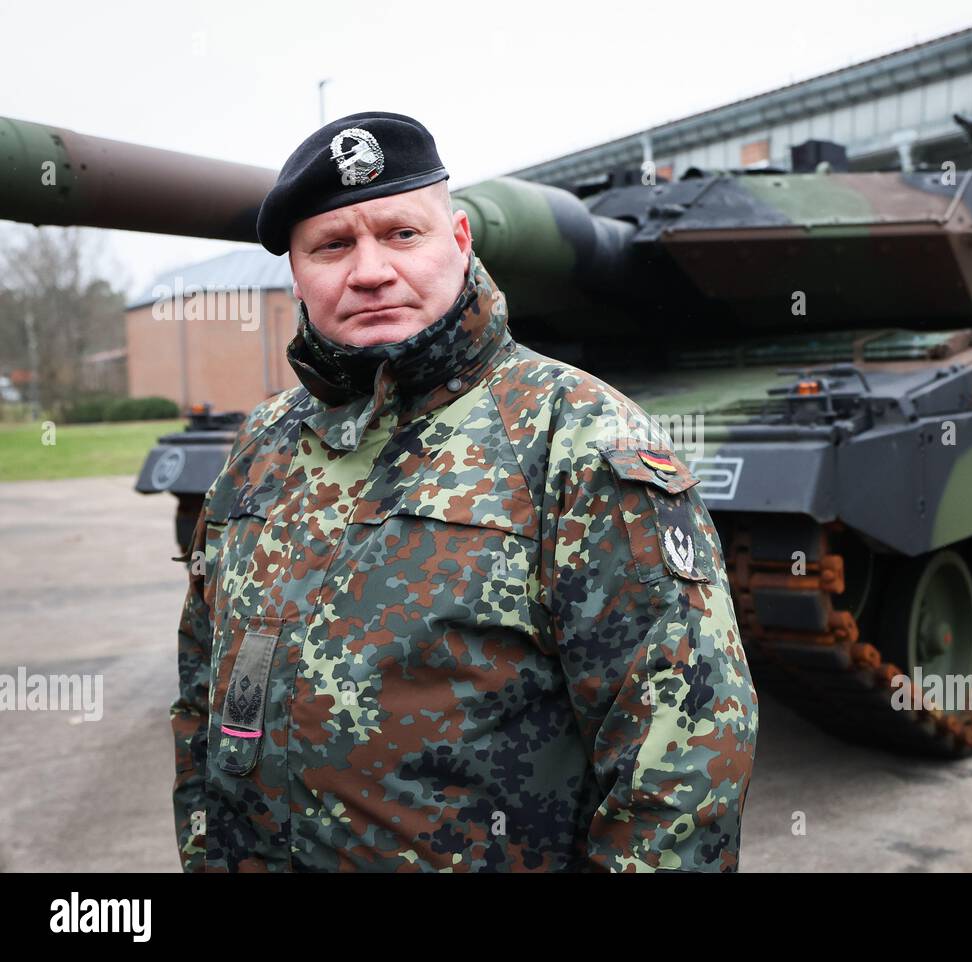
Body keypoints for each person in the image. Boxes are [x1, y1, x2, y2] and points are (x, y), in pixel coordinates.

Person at [168, 111, 759, 872]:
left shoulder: (577, 437)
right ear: (297, 272)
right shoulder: (262, 444)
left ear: (460, 240)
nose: (371, 269)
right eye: (333, 245)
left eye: (401, 234)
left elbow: (685, 754)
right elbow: (199, 693)